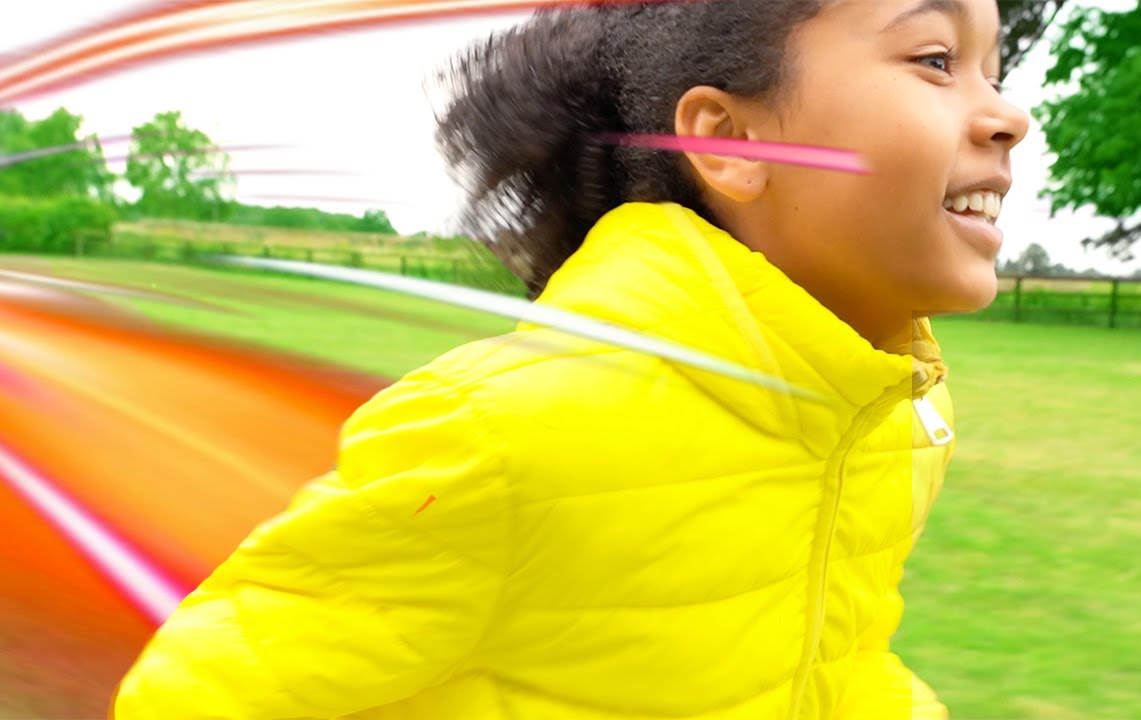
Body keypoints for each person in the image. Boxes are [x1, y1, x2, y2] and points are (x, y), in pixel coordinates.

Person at [111, 0, 1028, 717]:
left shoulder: (884, 420)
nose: (1009, 117)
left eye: (995, 69)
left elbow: (834, 666)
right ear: (730, 142)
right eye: (937, 61)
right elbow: (196, 696)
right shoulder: (510, 430)